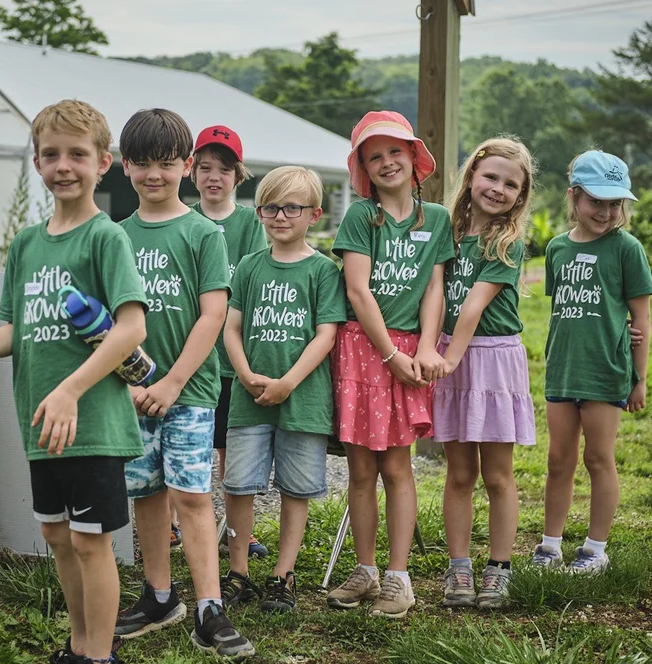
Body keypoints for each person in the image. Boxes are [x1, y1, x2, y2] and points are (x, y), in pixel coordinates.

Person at [0, 100, 145, 664]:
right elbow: (18, 330)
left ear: (105, 163)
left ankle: (99, 657)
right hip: (41, 423)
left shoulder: (106, 238)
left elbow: (130, 330)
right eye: (51, 154)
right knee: (58, 538)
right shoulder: (26, 244)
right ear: (36, 163)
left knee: (92, 542)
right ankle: (78, 645)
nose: (64, 165)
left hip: (93, 422)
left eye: (78, 154)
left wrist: (72, 389)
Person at [115, 108, 255, 662]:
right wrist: (128, 384)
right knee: (146, 493)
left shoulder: (201, 232)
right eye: (143, 163)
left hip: (191, 392)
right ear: (125, 167)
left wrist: (173, 381)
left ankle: (208, 608)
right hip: (130, 393)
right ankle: (159, 594)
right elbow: (108, 321)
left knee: (193, 495)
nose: (155, 174)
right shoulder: (114, 236)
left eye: (167, 163)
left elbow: (212, 314)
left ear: (186, 165)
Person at [326, 111, 454, 618]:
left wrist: (424, 347)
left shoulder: (437, 219)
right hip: (365, 348)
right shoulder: (362, 217)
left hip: (409, 349)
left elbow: (434, 288)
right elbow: (358, 289)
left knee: (399, 466)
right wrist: (390, 354)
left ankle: (399, 578)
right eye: (373, 155)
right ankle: (365, 569)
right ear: (363, 167)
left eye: (395, 151)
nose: (386, 162)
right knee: (361, 470)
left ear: (414, 157)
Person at [219, 166, 346, 613]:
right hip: (248, 400)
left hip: (303, 401)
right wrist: (245, 374)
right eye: (270, 207)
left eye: (291, 207)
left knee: (295, 490)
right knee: (238, 485)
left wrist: (288, 382)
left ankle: (282, 575)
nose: (279, 216)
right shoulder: (251, 267)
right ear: (259, 213)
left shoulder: (323, 271)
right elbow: (231, 327)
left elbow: (325, 335)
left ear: (313, 214)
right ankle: (238, 573)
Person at [531, 150, 652, 574]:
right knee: (557, 460)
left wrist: (639, 379)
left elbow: (641, 318)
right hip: (563, 368)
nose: (605, 212)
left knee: (598, 459)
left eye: (614, 203)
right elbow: (565, 310)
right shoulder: (557, 248)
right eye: (596, 201)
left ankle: (595, 550)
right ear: (574, 197)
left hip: (605, 372)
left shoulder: (627, 249)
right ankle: (549, 548)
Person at [431, 137, 537, 610]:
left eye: (510, 184)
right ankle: (458, 570)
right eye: (490, 176)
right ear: (472, 175)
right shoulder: (445, 233)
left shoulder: (505, 242)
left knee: (497, 475)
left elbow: (472, 306)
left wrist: (448, 359)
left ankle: (499, 568)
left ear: (520, 196)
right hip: (447, 356)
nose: (497, 188)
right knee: (458, 474)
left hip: (490, 360)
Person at [189, 124, 269, 559]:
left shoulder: (249, 224)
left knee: (234, 451)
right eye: (204, 167)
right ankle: (172, 525)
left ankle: (239, 529)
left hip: (234, 360)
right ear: (191, 172)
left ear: (239, 175)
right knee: (189, 446)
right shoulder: (184, 220)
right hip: (192, 360)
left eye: (223, 168)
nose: (213, 176)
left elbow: (257, 282)